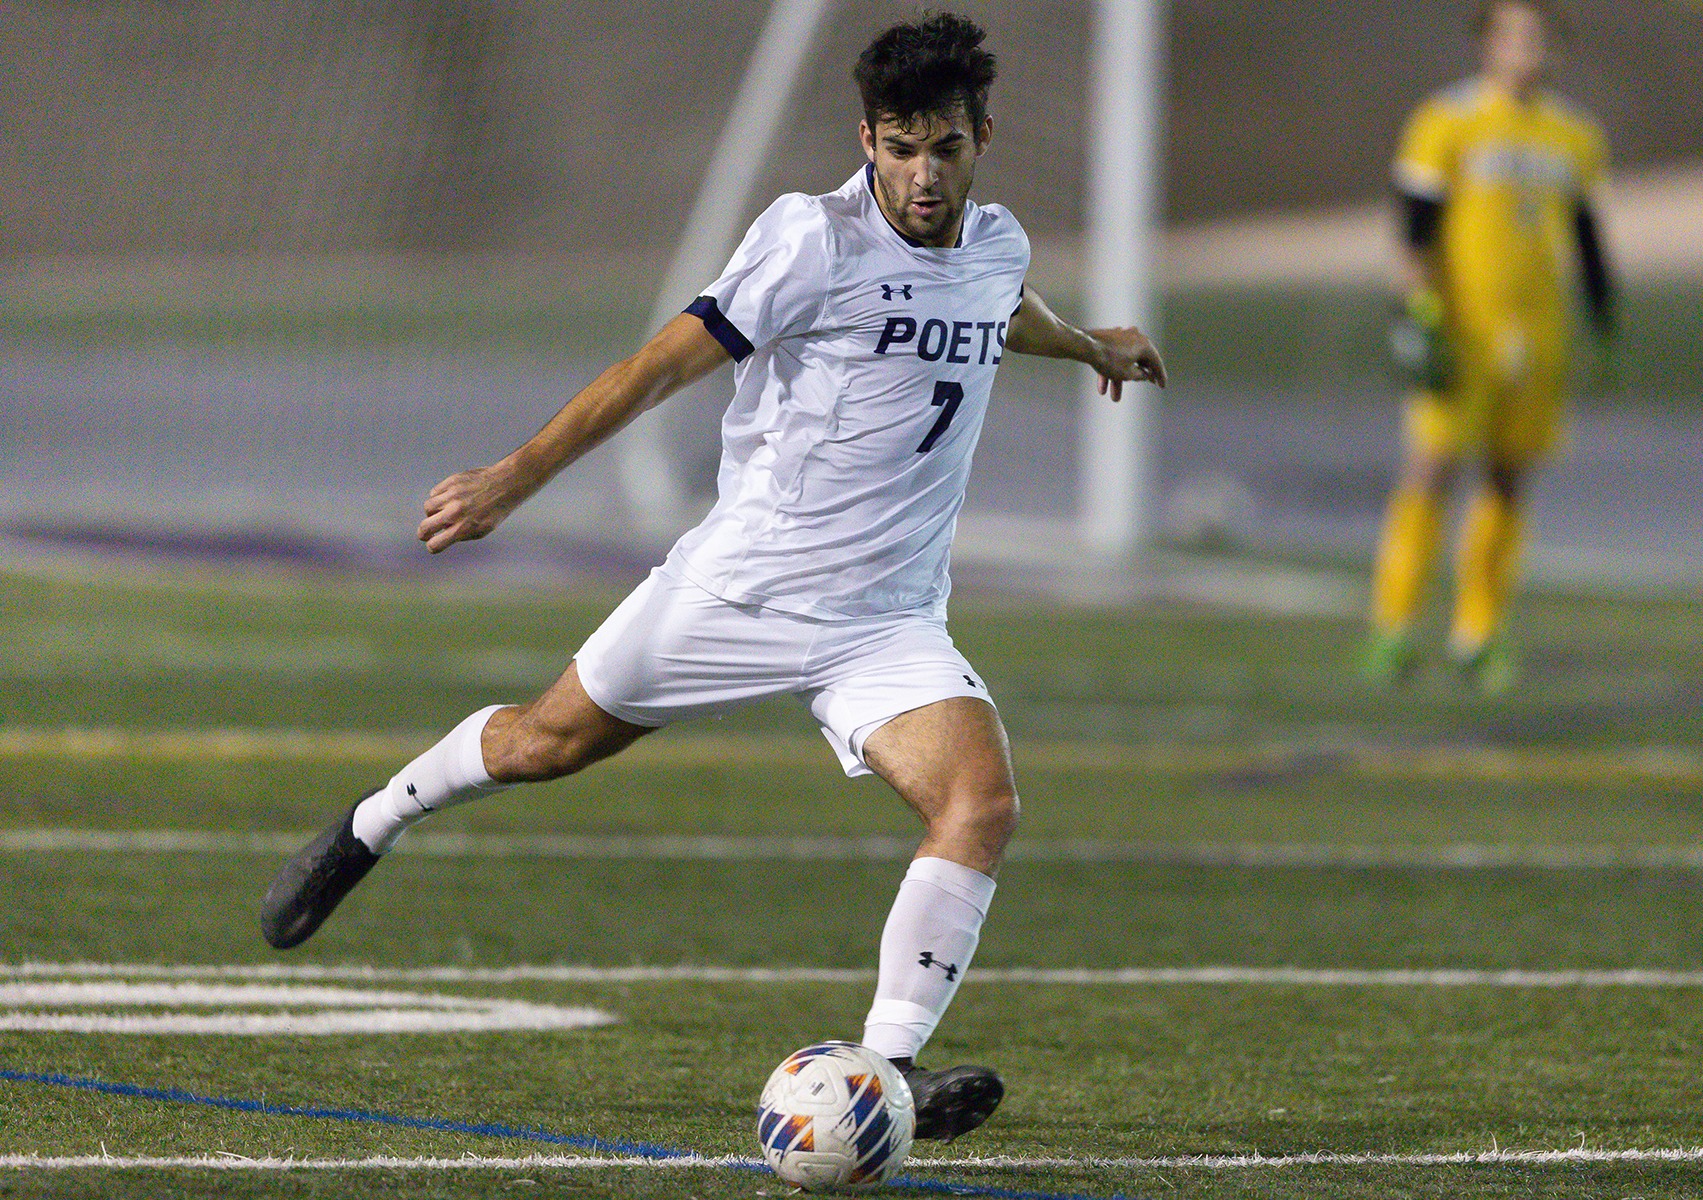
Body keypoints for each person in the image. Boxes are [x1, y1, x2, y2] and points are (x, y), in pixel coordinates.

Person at [260, 13, 1165, 1142]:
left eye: (944, 148)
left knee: (979, 803)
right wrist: (513, 478)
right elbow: (656, 367)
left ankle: (885, 1073)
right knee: (545, 744)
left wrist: (1090, 344)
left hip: (884, 622)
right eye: (898, 147)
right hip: (736, 590)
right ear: (867, 140)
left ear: (983, 137)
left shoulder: (997, 244)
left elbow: (998, 306)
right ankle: (369, 826)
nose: (921, 176)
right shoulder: (810, 242)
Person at [1362, 0, 1615, 692]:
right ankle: (1394, 627)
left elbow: (1589, 240)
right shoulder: (1446, 120)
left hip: (1538, 337)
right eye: (1516, 35)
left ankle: (1479, 631)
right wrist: (1416, 310)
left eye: (1540, 37)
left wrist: (1604, 323)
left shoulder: (1575, 136)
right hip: (1462, 329)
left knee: (1508, 477)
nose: (1530, 49)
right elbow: (1415, 227)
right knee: (1431, 468)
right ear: (1487, 44)